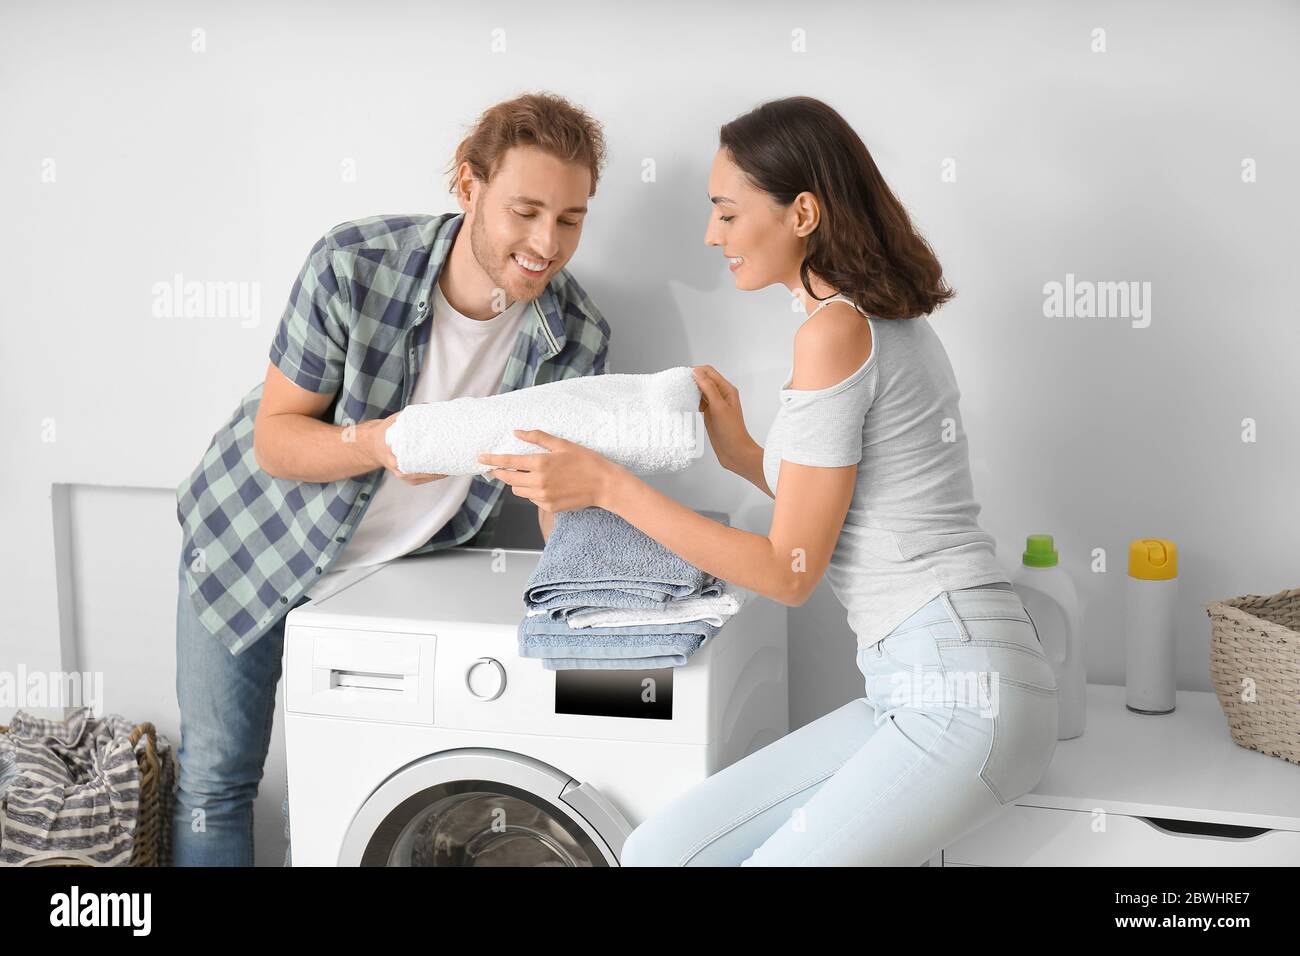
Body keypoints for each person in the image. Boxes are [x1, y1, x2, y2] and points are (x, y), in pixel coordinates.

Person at [478, 96, 1059, 866]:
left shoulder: (837, 332)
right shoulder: (871, 323)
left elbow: (790, 573)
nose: (711, 234)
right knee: (663, 853)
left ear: (803, 213)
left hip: (959, 687)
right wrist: (745, 453)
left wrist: (609, 488)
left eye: (726, 211)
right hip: (915, 683)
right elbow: (849, 501)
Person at [172, 92, 611, 866]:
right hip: (251, 541)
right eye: (526, 210)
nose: (548, 242)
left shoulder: (573, 335)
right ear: (468, 187)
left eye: (570, 218)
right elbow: (276, 438)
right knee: (218, 780)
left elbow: (556, 501)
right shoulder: (354, 264)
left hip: (389, 580)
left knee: (348, 786)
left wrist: (591, 625)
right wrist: (378, 443)